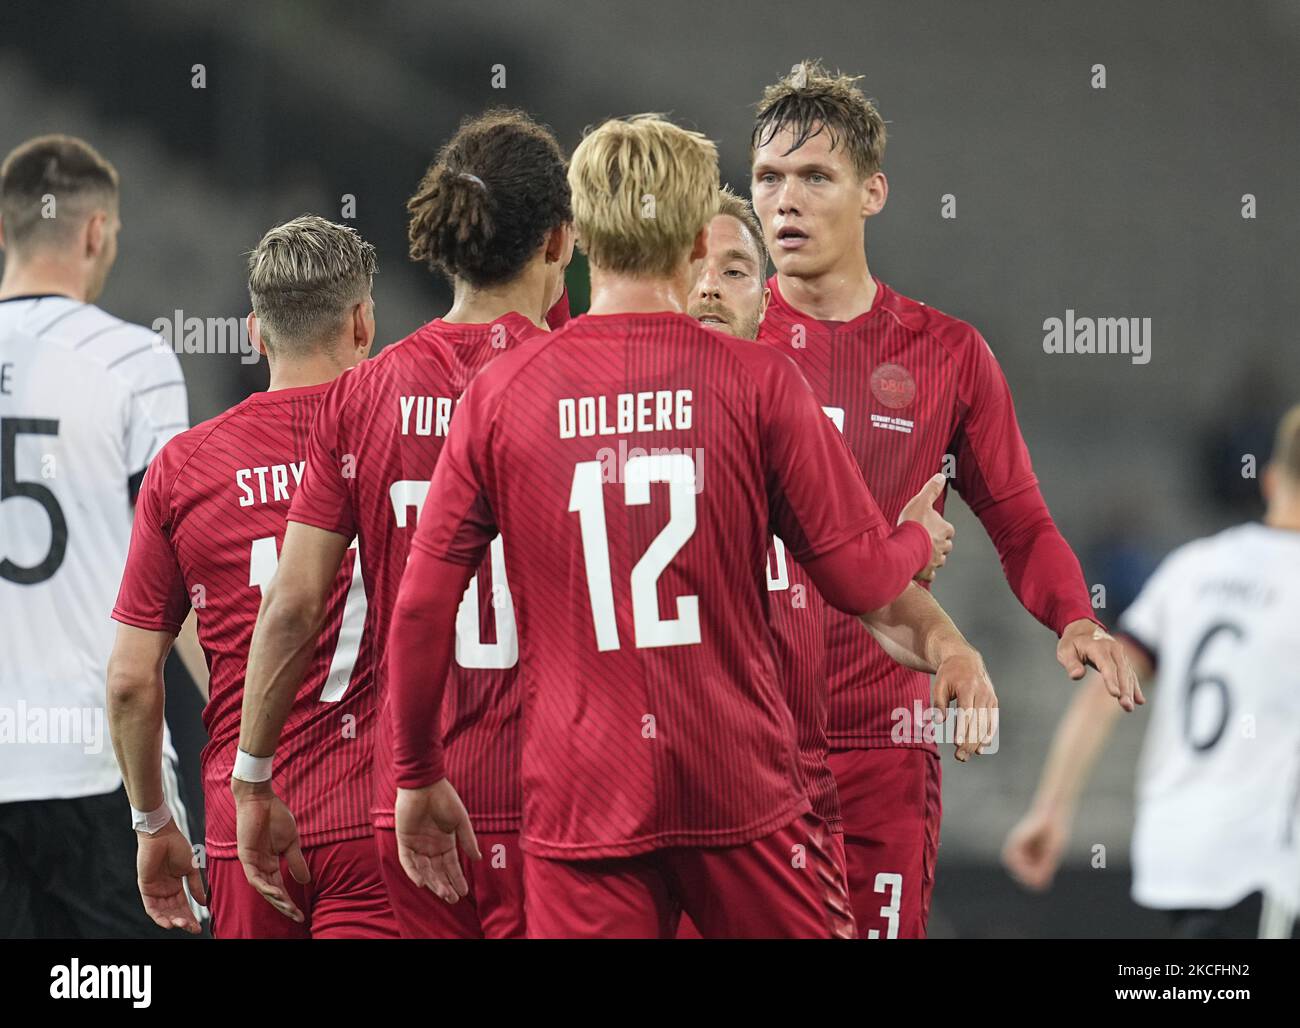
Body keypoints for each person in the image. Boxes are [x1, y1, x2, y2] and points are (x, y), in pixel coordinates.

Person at [387, 114, 969, 939]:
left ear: (581, 233)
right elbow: (860, 581)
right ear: (700, 239)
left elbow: (419, 609)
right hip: (735, 786)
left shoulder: (503, 392)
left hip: (581, 791)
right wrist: (917, 539)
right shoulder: (760, 380)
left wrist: (415, 772)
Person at [749, 60, 1141, 937]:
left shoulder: (947, 355)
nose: (787, 201)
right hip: (734, 753)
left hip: (879, 752)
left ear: (872, 192)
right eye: (769, 179)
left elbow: (1020, 519)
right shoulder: (725, 347)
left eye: (816, 177)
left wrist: (1074, 618)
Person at [233, 109, 573, 938]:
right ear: (560, 241)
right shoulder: (582, 385)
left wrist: (251, 776)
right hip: (562, 791)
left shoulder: (364, 394)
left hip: (419, 794)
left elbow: (293, 603)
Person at [678, 187, 994, 937]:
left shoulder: (787, 421)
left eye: (734, 272)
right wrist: (916, 543)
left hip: (789, 784)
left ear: (767, 299)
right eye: (694, 268)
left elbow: (862, 582)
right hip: (673, 792)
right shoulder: (618, 406)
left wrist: (949, 645)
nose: (710, 291)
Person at [108, 215, 397, 938]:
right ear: (363, 323)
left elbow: (130, 680)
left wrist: (152, 822)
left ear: (254, 334)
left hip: (247, 826)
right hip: (379, 816)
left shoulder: (184, 468)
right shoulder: (411, 447)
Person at [1004, 405, 1300, 939]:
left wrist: (1049, 809)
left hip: (1178, 851)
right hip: (1265, 859)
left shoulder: (1192, 567)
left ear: (1273, 479)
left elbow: (1103, 690)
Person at [0, 134, 194, 938]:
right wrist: (258, 755)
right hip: (98, 762)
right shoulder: (136, 362)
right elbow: (183, 583)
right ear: (95, 233)